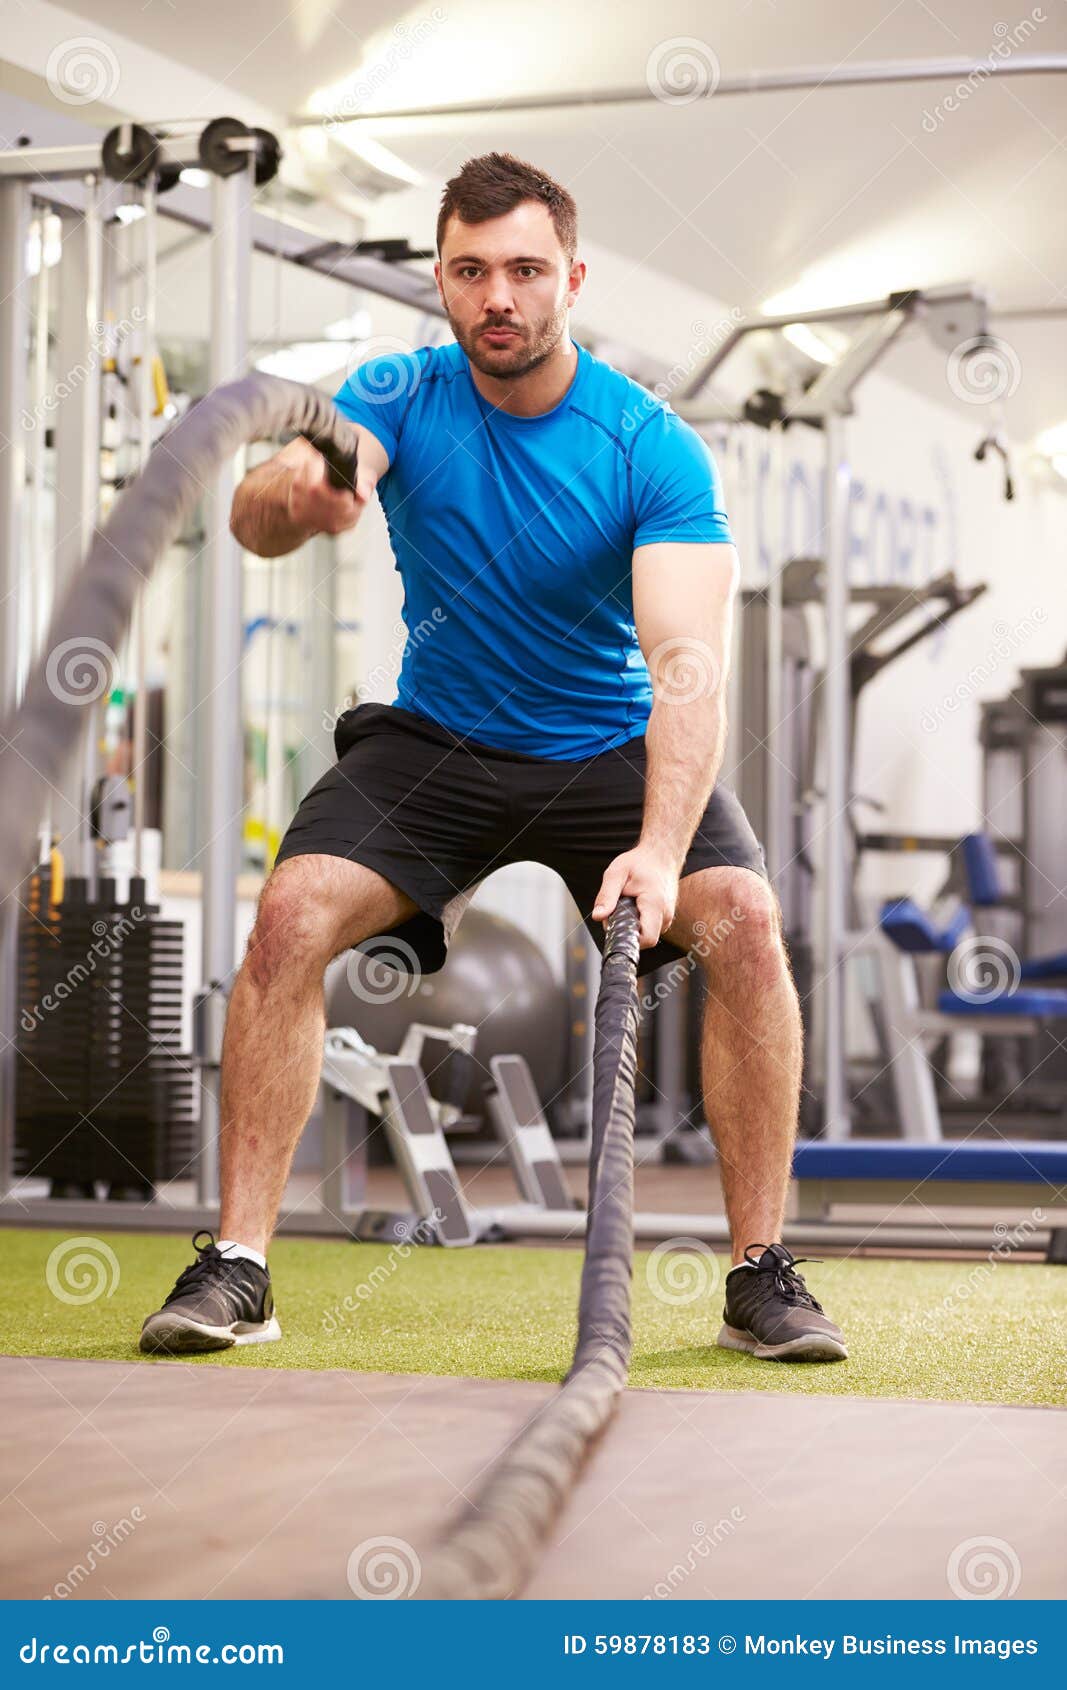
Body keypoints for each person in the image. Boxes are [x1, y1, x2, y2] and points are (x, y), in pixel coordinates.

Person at [140, 152, 845, 1364]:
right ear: (442, 282)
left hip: (605, 745)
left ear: (570, 277)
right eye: (471, 272)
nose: (498, 297)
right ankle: (238, 1263)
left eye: (524, 270)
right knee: (289, 913)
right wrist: (295, 496)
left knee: (742, 922)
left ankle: (759, 1273)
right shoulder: (398, 393)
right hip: (438, 741)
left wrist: (664, 852)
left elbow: (683, 665)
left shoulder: (646, 446)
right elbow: (277, 498)